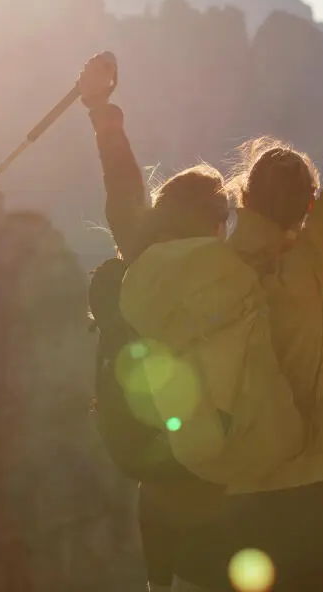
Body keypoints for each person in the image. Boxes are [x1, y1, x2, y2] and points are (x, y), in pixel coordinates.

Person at [80, 3, 323, 591]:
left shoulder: (206, 269)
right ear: (308, 209)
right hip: (317, 498)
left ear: (240, 200)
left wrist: (104, 115)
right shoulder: (312, 265)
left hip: (236, 502)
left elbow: (132, 218)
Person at [78, 55, 233, 592]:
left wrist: (100, 106)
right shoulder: (227, 278)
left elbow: (120, 177)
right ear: (215, 224)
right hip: (205, 475)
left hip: (146, 463)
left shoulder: (138, 253)